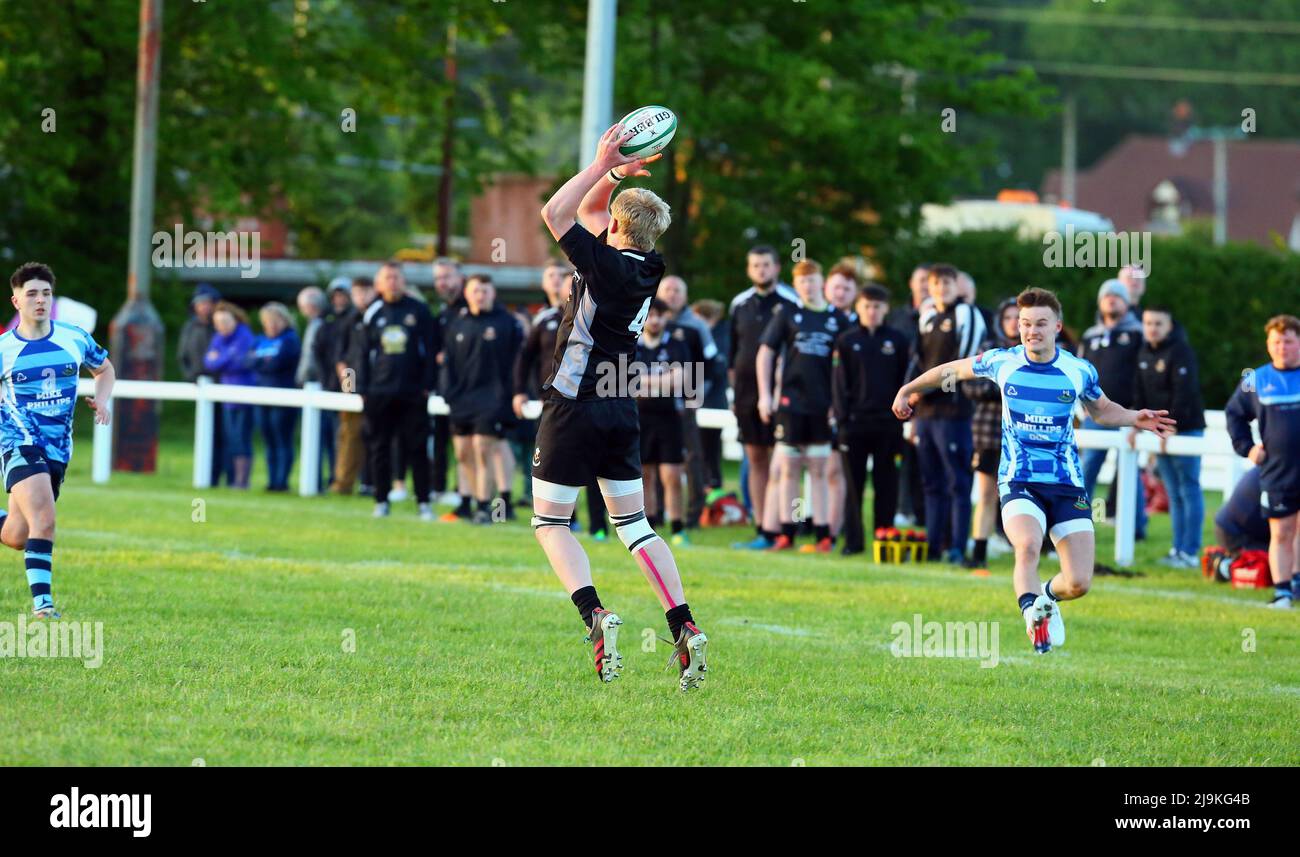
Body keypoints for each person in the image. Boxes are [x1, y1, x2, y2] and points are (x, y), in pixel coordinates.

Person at [892, 286, 1174, 654]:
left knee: (1078, 583)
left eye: (1040, 323)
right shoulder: (1002, 361)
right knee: (1027, 546)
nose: (1031, 331)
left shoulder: (1077, 369)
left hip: (1066, 485)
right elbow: (950, 370)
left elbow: (1101, 410)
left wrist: (1135, 417)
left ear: (1057, 326)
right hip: (1019, 480)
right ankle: (1030, 612)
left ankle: (1044, 597)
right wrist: (907, 389)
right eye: (1025, 324)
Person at [534, 122, 707, 690]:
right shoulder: (648, 266)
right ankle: (682, 622)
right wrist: (612, 175)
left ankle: (595, 614)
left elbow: (556, 212)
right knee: (633, 523)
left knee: (551, 522)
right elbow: (586, 211)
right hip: (618, 402)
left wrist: (602, 163)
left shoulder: (601, 264)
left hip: (573, 401)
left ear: (613, 227)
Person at [0, 263, 115, 618]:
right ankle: (43, 606)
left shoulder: (74, 337)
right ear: (16, 300)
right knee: (46, 519)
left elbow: (105, 368)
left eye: (46, 293)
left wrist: (103, 399)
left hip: (57, 450)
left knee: (19, 534)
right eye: (31, 293)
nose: (40, 300)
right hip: (18, 443)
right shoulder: (4, 348)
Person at [757, 259, 840, 553]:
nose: (807, 285)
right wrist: (765, 395)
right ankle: (787, 533)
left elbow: (842, 367)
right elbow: (765, 353)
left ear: (822, 282)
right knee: (789, 470)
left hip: (822, 405)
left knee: (819, 470)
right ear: (796, 285)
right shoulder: (788, 313)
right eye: (801, 281)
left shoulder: (836, 318)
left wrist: (837, 403)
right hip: (790, 404)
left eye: (812, 280)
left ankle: (823, 535)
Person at [906, 263, 986, 563]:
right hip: (926, 413)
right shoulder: (927, 317)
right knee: (931, 480)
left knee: (958, 481)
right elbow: (918, 360)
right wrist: (913, 392)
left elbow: (962, 366)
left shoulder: (967, 314)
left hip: (954, 412)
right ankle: (933, 544)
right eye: (935, 284)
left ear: (957, 286)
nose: (941, 289)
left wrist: (926, 389)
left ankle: (956, 546)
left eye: (947, 284)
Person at [1224, 314, 1300, 608]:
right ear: (1269, 345)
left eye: (1288, 341)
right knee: (1281, 531)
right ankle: (1282, 592)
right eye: (1276, 342)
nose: (1282, 347)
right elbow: (1234, 414)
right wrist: (1247, 447)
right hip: (1278, 471)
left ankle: (1296, 582)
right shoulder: (1255, 379)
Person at [729, 245, 800, 549]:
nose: (761, 270)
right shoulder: (740, 304)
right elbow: (733, 356)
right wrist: (736, 393)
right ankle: (761, 526)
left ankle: (784, 526)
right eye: (755, 265)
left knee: (783, 461)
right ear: (749, 269)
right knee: (756, 458)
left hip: (781, 395)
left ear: (776, 268)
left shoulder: (791, 303)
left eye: (766, 265)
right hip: (746, 395)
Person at [441, 272, 524, 525]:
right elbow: (448, 362)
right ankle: (466, 502)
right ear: (467, 293)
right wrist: (448, 392)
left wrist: (513, 393)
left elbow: (518, 362)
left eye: (485, 290)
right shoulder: (458, 322)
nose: (480, 295)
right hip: (462, 398)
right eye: (476, 290)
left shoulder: (506, 323)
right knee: (463, 452)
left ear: (493, 293)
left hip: (494, 399)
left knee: (483, 449)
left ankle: (484, 506)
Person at [356, 262, 436, 520]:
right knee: (379, 448)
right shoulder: (372, 312)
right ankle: (381, 500)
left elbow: (432, 351)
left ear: (403, 282)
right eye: (387, 278)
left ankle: (423, 502)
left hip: (412, 392)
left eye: (396, 277)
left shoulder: (419, 310)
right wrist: (362, 388)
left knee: (417, 447)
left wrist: (427, 385)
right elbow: (360, 354)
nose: (392, 282)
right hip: (379, 392)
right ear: (378, 284)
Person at [833, 283, 908, 555]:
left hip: (889, 425)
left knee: (887, 483)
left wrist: (904, 417)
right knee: (853, 486)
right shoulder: (846, 340)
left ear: (885, 308)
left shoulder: (898, 340)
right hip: (854, 425)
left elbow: (905, 381)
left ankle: (883, 538)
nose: (872, 311)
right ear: (858, 308)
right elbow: (839, 385)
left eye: (877, 306)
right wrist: (842, 421)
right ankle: (853, 541)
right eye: (866, 306)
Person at [1132, 306, 1205, 568]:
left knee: (1189, 488)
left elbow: (1184, 392)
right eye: (1148, 323)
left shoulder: (1180, 350)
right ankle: (1177, 549)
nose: (1152, 328)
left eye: (1158, 323)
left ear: (1169, 326)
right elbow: (1139, 393)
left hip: (1186, 430)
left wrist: (1171, 426)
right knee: (1173, 492)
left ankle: (1190, 552)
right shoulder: (1142, 352)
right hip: (1159, 431)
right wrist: (1134, 425)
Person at [1078, 278, 1146, 538]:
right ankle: (1077, 523)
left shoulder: (1138, 333)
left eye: (1117, 296)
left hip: (1127, 413)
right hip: (1095, 414)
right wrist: (1081, 405)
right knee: (1087, 469)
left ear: (1127, 302)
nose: (1112, 299)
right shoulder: (1090, 335)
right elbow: (1079, 371)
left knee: (1129, 470)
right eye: (1107, 295)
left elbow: (1144, 374)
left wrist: (1137, 410)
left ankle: (1136, 526)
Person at [962, 297, 1019, 567]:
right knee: (985, 494)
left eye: (1018, 318)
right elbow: (969, 387)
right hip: (989, 433)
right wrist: (1004, 389)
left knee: (1022, 497)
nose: (1013, 323)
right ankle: (979, 552)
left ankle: (1027, 551)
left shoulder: (1032, 352)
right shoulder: (989, 350)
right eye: (1008, 317)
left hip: (1023, 438)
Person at [657, 275, 715, 528]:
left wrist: (697, 394)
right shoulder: (647, 320)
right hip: (653, 404)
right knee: (654, 459)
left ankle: (694, 513)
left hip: (686, 403)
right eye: (667, 289)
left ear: (686, 295)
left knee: (692, 456)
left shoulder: (696, 326)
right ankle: (656, 512)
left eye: (677, 290)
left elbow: (712, 363)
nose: (672, 294)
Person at [634, 299, 691, 545]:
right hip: (640, 418)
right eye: (651, 315)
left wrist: (643, 380)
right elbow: (624, 381)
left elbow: (679, 380)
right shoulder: (632, 345)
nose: (655, 320)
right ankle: (650, 524)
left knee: (672, 475)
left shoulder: (677, 345)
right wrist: (661, 380)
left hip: (669, 418)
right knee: (644, 473)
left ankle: (678, 527)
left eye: (660, 315)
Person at [328, 276, 375, 495]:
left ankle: (371, 482)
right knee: (348, 435)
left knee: (377, 438)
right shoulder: (349, 321)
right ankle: (343, 482)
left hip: (379, 389)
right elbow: (341, 359)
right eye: (357, 293)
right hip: (353, 391)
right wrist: (351, 388)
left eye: (366, 291)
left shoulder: (380, 317)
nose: (362, 297)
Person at [204, 301, 256, 489]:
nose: (222, 326)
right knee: (231, 438)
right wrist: (226, 357)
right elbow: (209, 363)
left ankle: (242, 481)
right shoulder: (219, 337)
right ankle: (233, 479)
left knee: (242, 438)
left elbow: (240, 362)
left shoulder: (244, 335)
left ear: (235, 319)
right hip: (228, 397)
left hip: (244, 395)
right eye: (218, 323)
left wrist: (221, 357)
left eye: (225, 321)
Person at [250, 302, 301, 492]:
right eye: (267, 321)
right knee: (268, 438)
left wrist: (260, 361)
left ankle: (282, 481)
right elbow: (247, 360)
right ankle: (272, 480)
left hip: (284, 395)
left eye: (275, 321)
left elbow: (277, 363)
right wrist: (263, 361)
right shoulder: (260, 339)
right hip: (262, 395)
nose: (271, 325)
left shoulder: (290, 340)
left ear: (284, 320)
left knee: (282, 438)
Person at [178, 283, 226, 485]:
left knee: (221, 436)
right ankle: (205, 477)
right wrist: (192, 378)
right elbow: (182, 356)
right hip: (199, 386)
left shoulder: (222, 326)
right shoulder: (190, 327)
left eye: (207, 303)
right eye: (200, 303)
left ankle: (217, 476)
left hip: (222, 388)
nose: (204, 307)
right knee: (204, 434)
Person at [431, 258, 467, 506]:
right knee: (439, 438)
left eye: (447, 276)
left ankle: (462, 490)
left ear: (460, 278)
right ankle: (438, 487)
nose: (442, 282)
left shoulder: (471, 309)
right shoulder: (443, 313)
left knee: (463, 444)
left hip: (467, 390)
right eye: (438, 278)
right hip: (443, 387)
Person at [296, 285, 335, 487]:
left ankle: (332, 480)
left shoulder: (323, 325)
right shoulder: (316, 324)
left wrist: (346, 387)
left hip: (323, 387)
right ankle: (320, 480)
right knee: (319, 438)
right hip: (317, 386)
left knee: (328, 437)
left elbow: (315, 359)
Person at [691, 299, 729, 491]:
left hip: (713, 402)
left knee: (710, 449)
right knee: (697, 450)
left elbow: (717, 369)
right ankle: (704, 488)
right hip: (697, 400)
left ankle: (713, 487)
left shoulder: (720, 336)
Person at [1214, 468, 1272, 554]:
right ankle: (1231, 562)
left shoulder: (1270, 466)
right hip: (1235, 533)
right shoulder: (1278, 473)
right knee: (1283, 554)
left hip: (1227, 527)